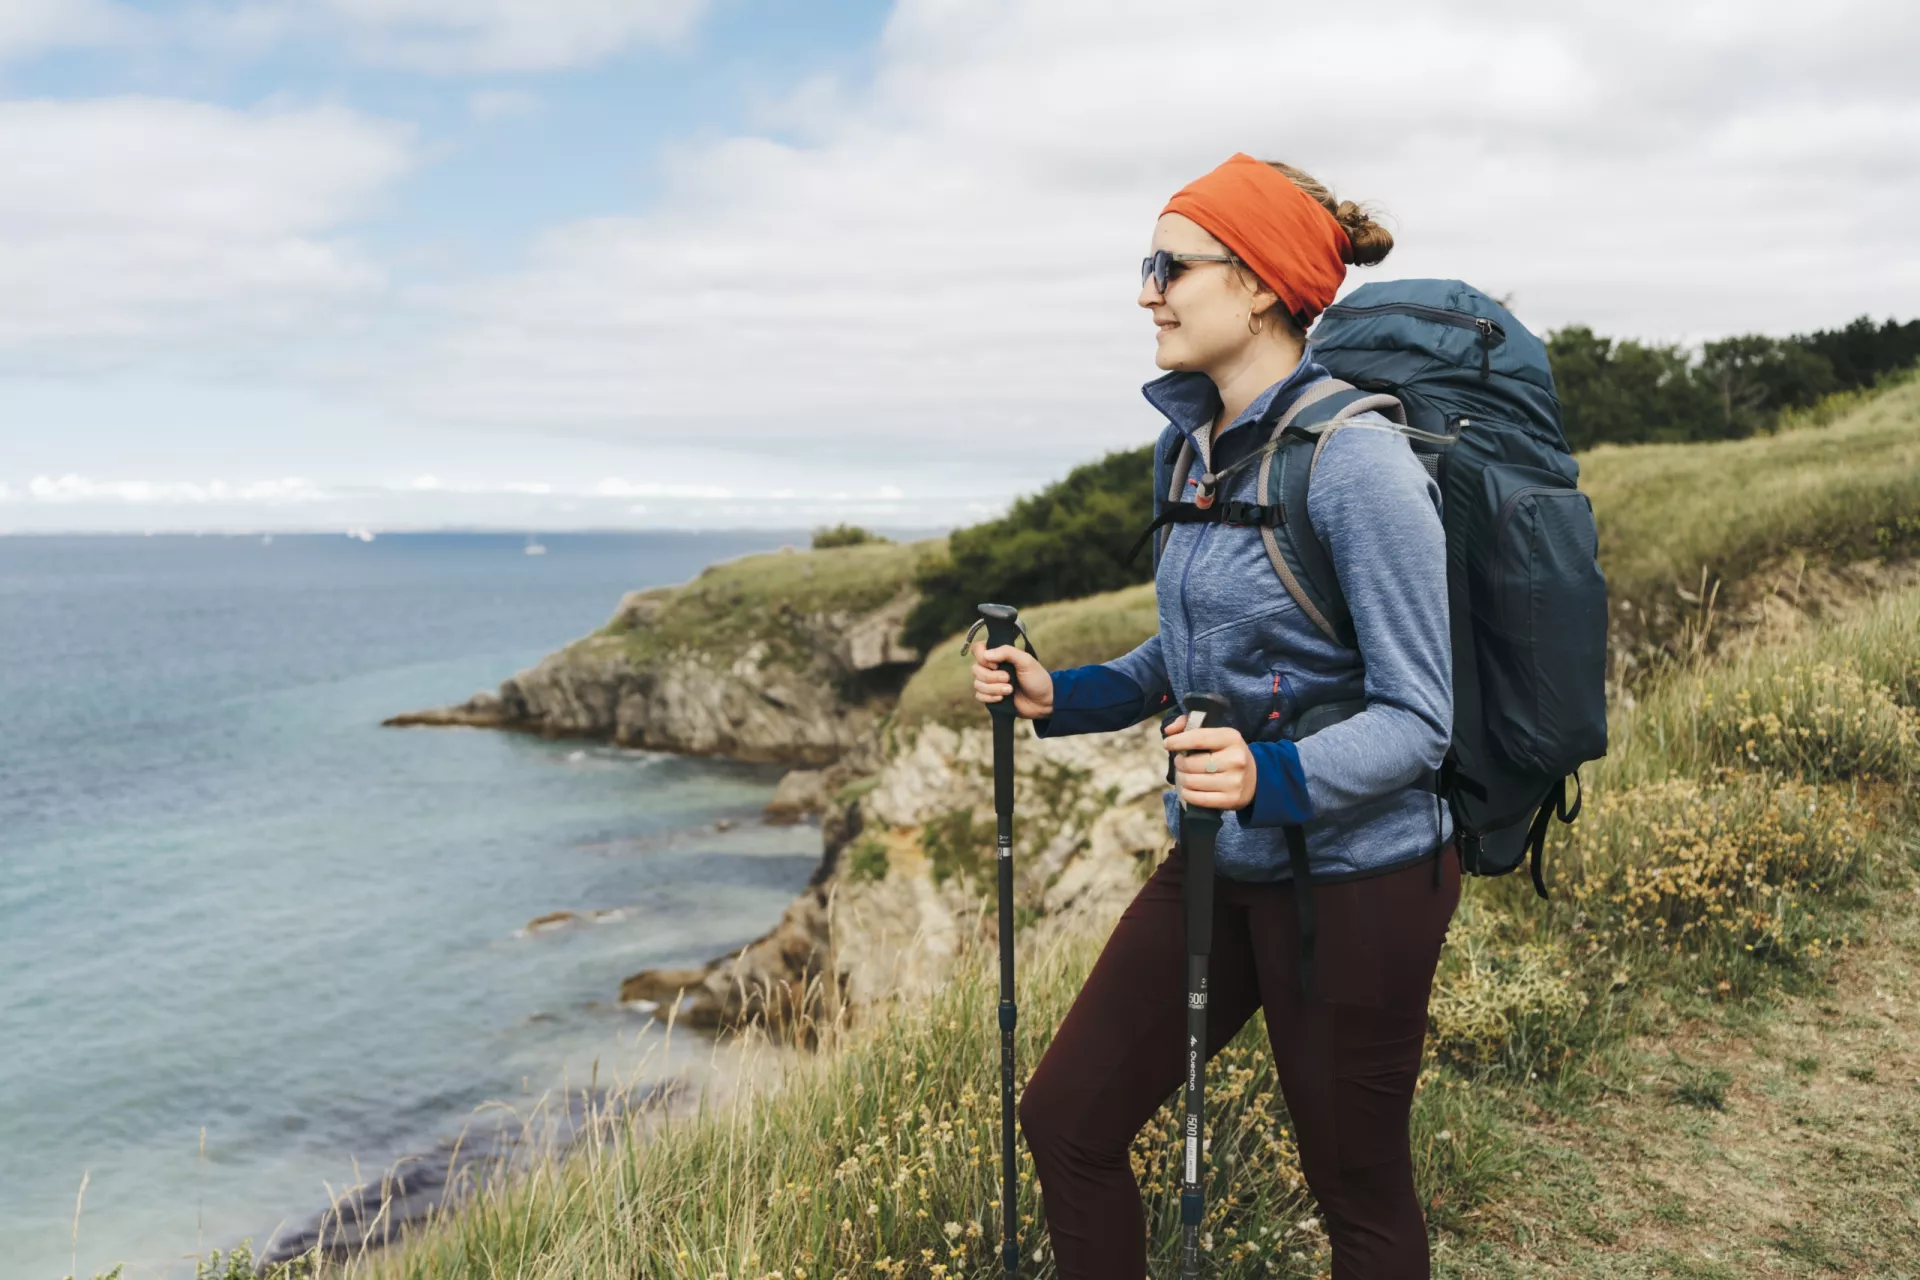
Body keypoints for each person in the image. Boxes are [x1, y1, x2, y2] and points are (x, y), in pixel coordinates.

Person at [970, 154, 1458, 1279]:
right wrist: (1064, 692)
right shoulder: (1188, 448)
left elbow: (1420, 717)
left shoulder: (1356, 462)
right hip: (1219, 857)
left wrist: (1267, 777)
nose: (1146, 292)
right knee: (1068, 1118)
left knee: (1357, 1192)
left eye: (1169, 266)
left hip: (1359, 880)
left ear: (1260, 285)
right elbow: (1190, 655)